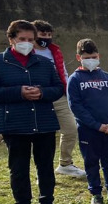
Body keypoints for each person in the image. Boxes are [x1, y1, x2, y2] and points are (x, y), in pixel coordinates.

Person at [0, 20, 65, 204]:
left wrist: (42, 92)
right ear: (11, 39)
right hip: (15, 123)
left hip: (43, 121)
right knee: (19, 167)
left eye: (30, 39)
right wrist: (18, 92)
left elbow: (59, 88)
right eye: (22, 39)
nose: (27, 43)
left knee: (45, 165)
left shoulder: (44, 63)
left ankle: (47, 202)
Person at [67, 39, 108, 204]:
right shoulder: (74, 80)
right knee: (92, 162)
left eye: (94, 57)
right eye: (87, 57)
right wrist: (97, 125)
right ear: (79, 57)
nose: (91, 60)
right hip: (89, 131)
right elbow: (76, 107)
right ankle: (96, 195)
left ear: (99, 56)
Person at [32, 20, 84, 178]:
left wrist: (68, 90)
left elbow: (63, 71)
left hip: (59, 95)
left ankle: (65, 164)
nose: (46, 38)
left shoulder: (54, 51)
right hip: (37, 98)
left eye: (49, 35)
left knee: (70, 129)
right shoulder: (28, 53)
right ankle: (42, 172)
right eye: (42, 34)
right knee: (41, 137)